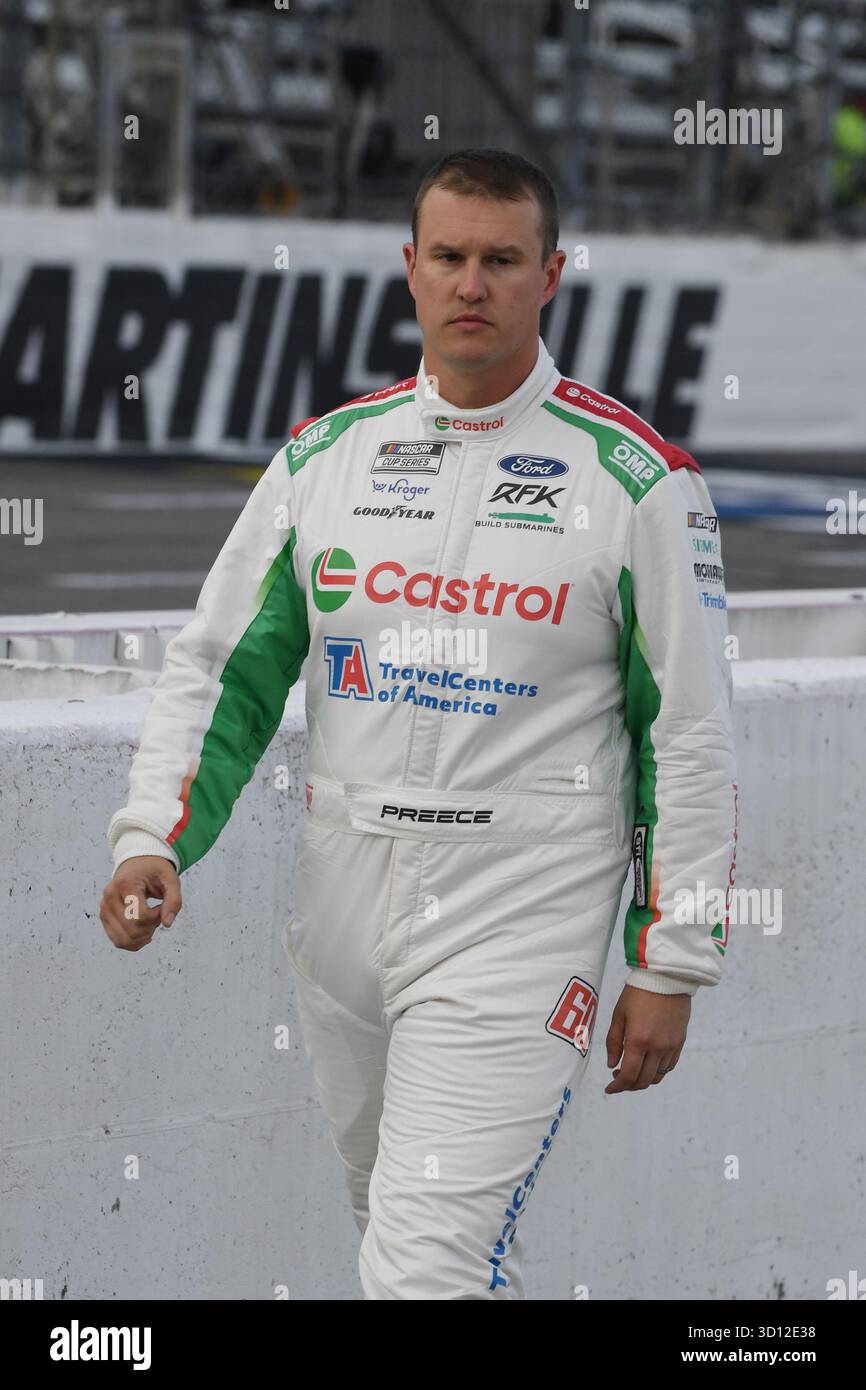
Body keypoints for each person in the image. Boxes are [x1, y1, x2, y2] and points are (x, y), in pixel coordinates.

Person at [100, 148, 738, 1300]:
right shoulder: (324, 458)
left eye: (501, 260)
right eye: (447, 257)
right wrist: (152, 831)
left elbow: (686, 734)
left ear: (550, 274)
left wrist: (672, 956)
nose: (471, 284)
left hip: (518, 913)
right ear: (408, 268)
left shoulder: (638, 479)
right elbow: (221, 669)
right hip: (339, 908)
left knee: (422, 1269)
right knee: (414, 1250)